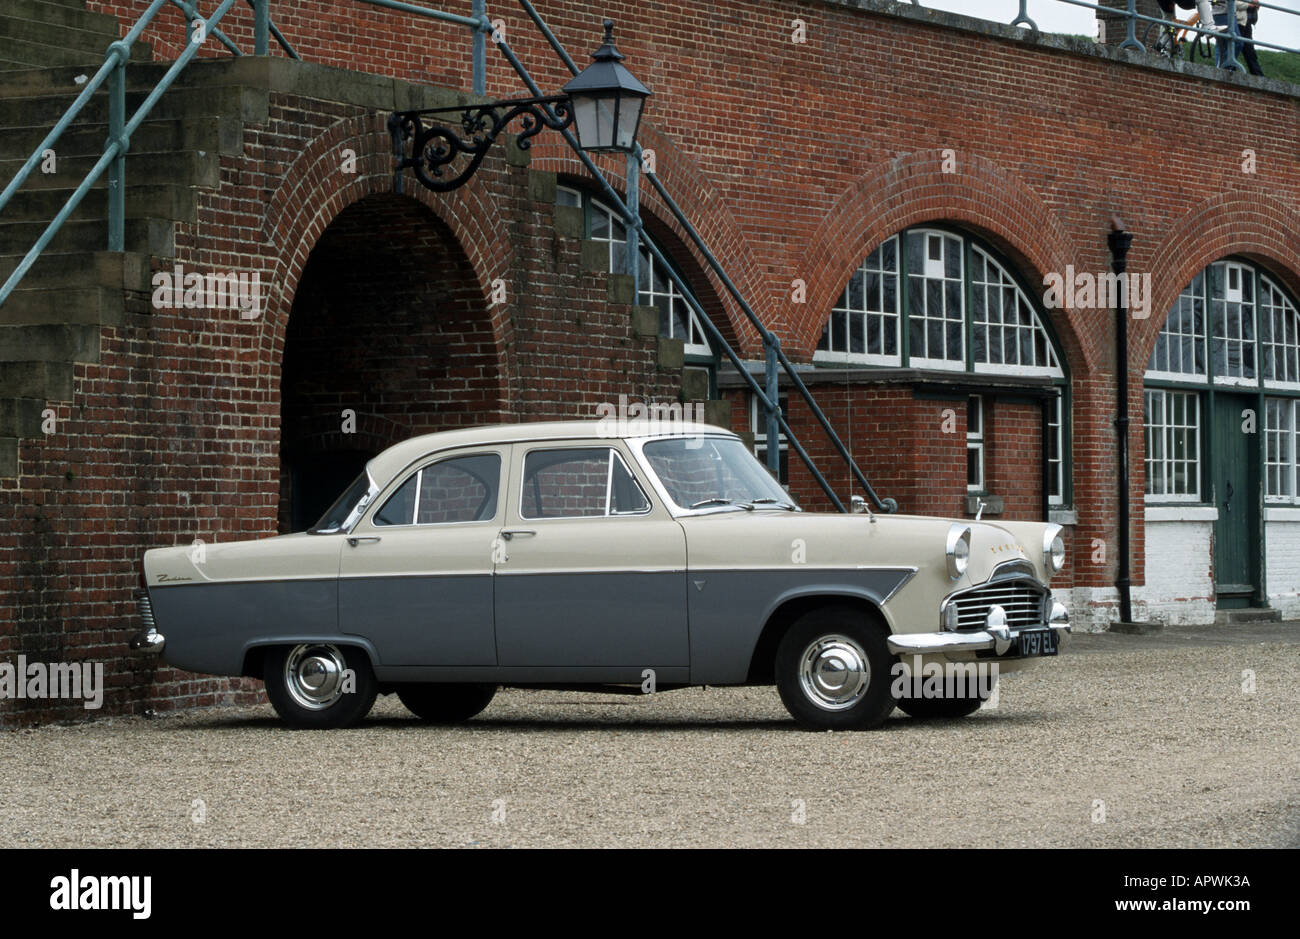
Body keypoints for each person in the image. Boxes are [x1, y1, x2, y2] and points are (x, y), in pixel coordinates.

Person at [1239, 1, 1265, 76]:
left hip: (1246, 22)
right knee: (1237, 47)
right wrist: (1249, 4)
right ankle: (1258, 74)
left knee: (1249, 50)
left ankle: (1258, 74)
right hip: (1239, 21)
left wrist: (1255, 5)